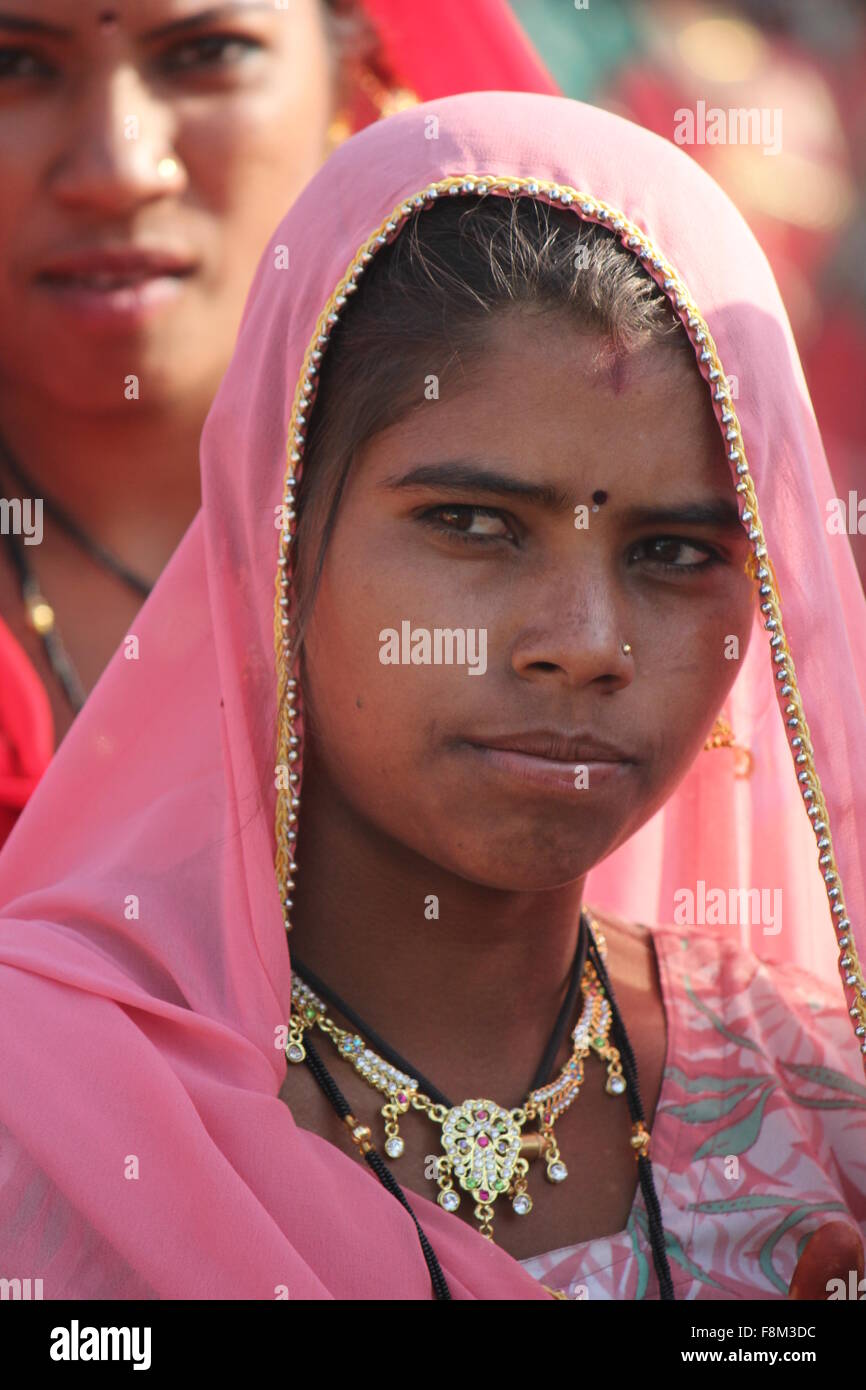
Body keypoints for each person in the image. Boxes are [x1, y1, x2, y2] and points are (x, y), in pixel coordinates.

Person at [0, 90, 864, 1302]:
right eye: (472, 524)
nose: (584, 644)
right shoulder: (48, 1105)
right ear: (280, 543)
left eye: (673, 551)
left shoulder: (815, 1099)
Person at [0, 0, 555, 845]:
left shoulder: (547, 545)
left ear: (351, 80)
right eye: (14, 65)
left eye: (207, 52)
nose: (121, 168)